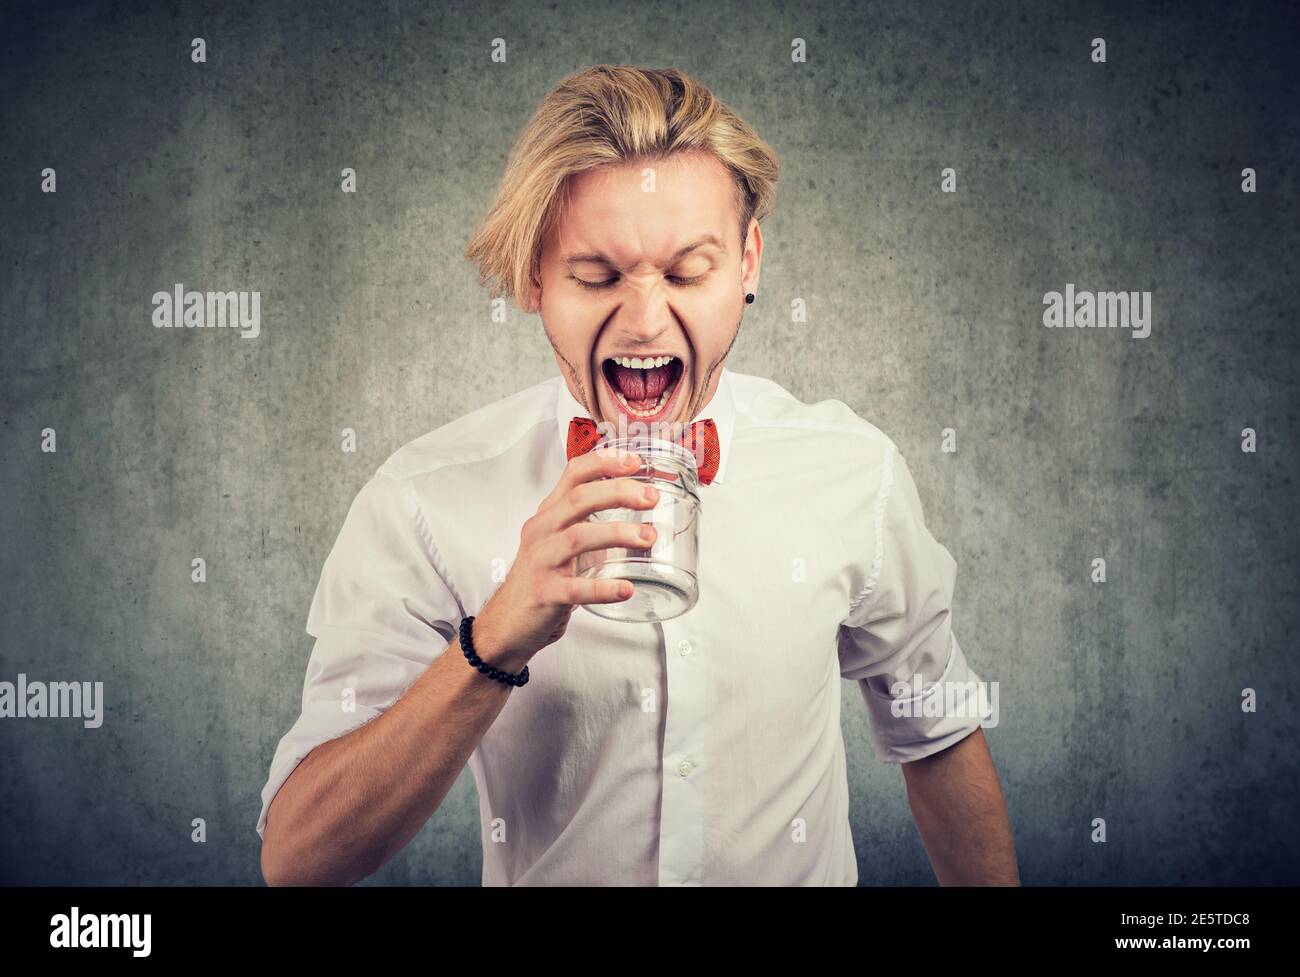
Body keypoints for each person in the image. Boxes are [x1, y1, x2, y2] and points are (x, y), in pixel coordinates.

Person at [257, 64, 1019, 886]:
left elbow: (936, 739)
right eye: (597, 276)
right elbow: (299, 858)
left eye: (689, 272)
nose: (647, 318)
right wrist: (496, 637)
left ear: (748, 263)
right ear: (534, 276)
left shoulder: (851, 471)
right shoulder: (424, 500)